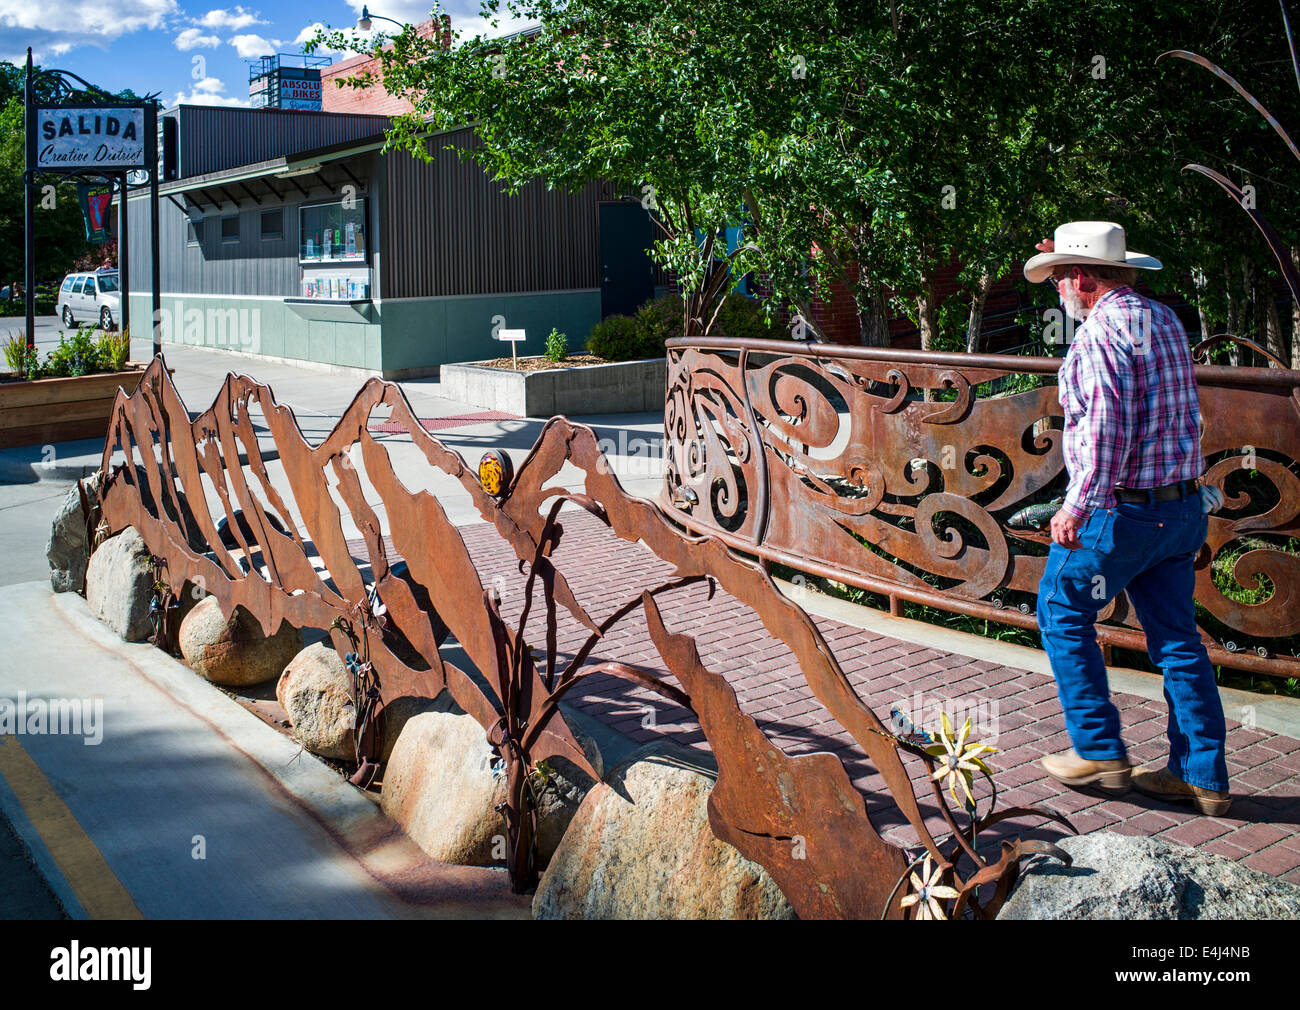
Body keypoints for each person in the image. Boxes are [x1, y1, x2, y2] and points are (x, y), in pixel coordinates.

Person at [1023, 220, 1230, 816]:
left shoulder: (1096, 337)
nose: (1057, 288)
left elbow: (1106, 433)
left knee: (1062, 606)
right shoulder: (1163, 320)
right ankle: (1200, 776)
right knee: (1177, 641)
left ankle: (1098, 750)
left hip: (1124, 515)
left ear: (1082, 278)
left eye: (1061, 275)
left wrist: (1075, 505)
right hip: (1181, 509)